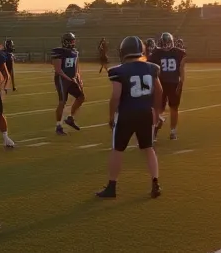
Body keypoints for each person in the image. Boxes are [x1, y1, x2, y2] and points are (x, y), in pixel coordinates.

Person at [96, 36, 162, 200]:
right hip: (146, 112)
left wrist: (111, 115)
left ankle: (112, 186)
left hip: (126, 114)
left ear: (123, 51)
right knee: (148, 148)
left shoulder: (118, 71)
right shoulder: (151, 68)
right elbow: (159, 91)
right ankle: (155, 183)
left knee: (117, 150)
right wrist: (157, 111)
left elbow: (116, 96)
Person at [149, 32, 186, 140]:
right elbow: (181, 70)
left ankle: (159, 129)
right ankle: (172, 131)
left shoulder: (157, 53)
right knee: (171, 108)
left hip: (163, 83)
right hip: (172, 83)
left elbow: (150, 65)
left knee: (162, 108)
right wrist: (181, 81)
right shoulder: (179, 53)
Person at [50, 32, 85, 135]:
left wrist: (79, 79)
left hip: (71, 79)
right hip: (62, 79)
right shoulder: (59, 52)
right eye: (71, 41)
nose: (73, 43)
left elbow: (76, 69)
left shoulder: (75, 53)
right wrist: (70, 79)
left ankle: (70, 118)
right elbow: (58, 70)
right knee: (62, 102)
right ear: (66, 42)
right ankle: (58, 126)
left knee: (81, 97)